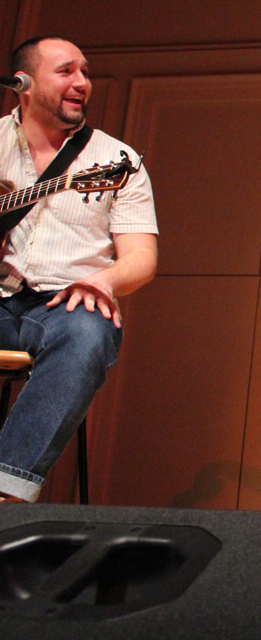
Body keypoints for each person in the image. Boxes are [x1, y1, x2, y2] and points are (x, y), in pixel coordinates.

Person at [0, 36, 158, 502]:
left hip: (62, 303)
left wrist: (102, 279)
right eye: (66, 71)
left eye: (85, 73)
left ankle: (6, 491)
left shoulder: (116, 161)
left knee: (91, 332)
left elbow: (142, 258)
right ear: (23, 84)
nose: (82, 83)